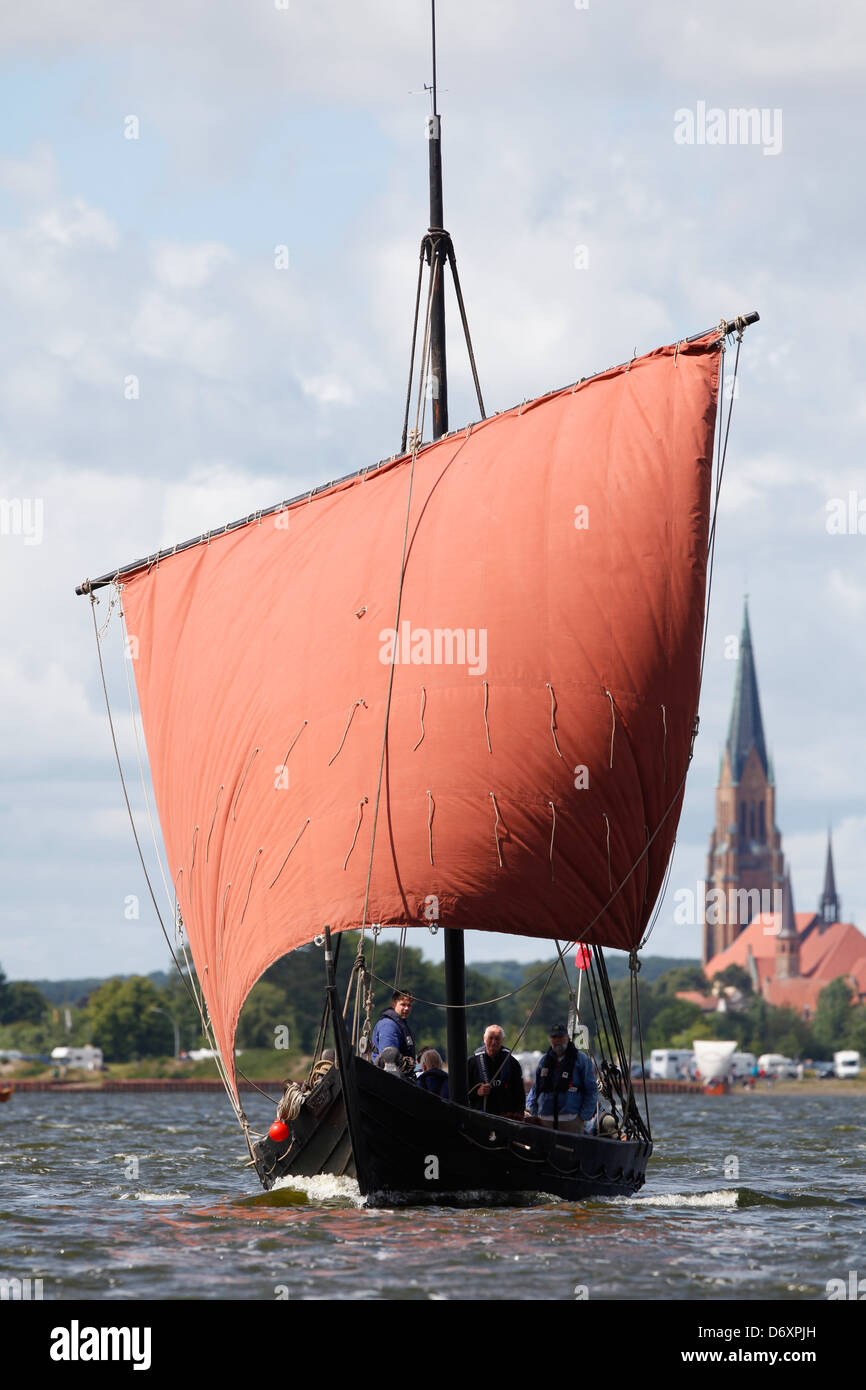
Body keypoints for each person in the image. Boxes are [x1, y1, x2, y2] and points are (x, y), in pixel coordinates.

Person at [526, 1024, 597, 1133]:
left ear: (567, 1038)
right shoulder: (544, 1061)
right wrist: (534, 1112)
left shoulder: (581, 1060)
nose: (557, 1040)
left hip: (572, 1120)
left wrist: (583, 1116)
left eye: (560, 1037)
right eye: (554, 1037)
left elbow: (591, 1089)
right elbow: (536, 1089)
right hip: (545, 1120)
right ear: (550, 1039)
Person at [467, 1025, 525, 1117]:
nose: (493, 1042)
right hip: (480, 1114)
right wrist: (478, 1092)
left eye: (497, 1039)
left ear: (502, 1040)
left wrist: (519, 1112)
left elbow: (519, 1091)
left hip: (506, 1116)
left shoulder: (512, 1063)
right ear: (484, 1039)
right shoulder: (472, 1063)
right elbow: (464, 1090)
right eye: (490, 1038)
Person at [371, 990, 416, 1066]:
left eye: (409, 1005)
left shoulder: (400, 1024)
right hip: (387, 1075)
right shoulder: (388, 1026)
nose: (406, 1008)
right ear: (393, 1005)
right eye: (403, 1004)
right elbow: (388, 1060)